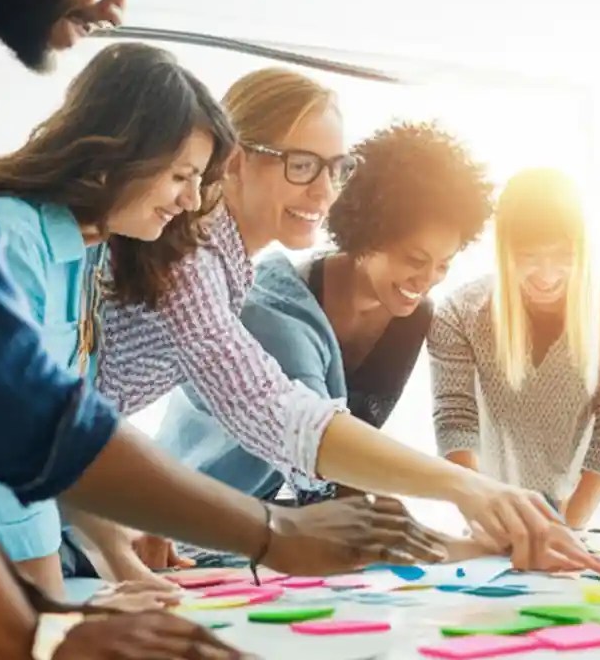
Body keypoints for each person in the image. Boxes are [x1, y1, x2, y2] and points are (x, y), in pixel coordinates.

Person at [0, 0, 447, 641]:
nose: (192, 200)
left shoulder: (89, 253)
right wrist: (45, 617)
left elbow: (49, 422)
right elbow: (13, 425)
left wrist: (104, 566)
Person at [99, 70, 600, 573]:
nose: (325, 191)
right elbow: (283, 418)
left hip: (129, 517)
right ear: (234, 160)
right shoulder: (204, 267)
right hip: (176, 534)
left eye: (336, 168)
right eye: (301, 165)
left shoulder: (230, 263)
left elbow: (80, 416)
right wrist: (470, 489)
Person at [0, 41, 237, 595]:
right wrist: (49, 604)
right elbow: (4, 445)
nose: (189, 201)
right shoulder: (13, 238)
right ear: (122, 154)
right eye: (181, 175)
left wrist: (121, 563)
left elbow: (63, 436)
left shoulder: (88, 251)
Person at [155, 120, 493, 506]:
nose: (427, 279)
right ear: (368, 235)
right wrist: (468, 494)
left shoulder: (411, 320)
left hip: (278, 516)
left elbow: (351, 466)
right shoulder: (275, 310)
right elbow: (317, 452)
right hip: (185, 508)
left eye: (443, 265)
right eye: (414, 259)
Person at [430, 168, 600, 530]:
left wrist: (567, 528)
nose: (547, 275)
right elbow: (455, 419)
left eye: (563, 255)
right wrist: (487, 516)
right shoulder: (460, 313)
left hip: (582, 516)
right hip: (491, 515)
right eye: (528, 255)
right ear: (503, 251)